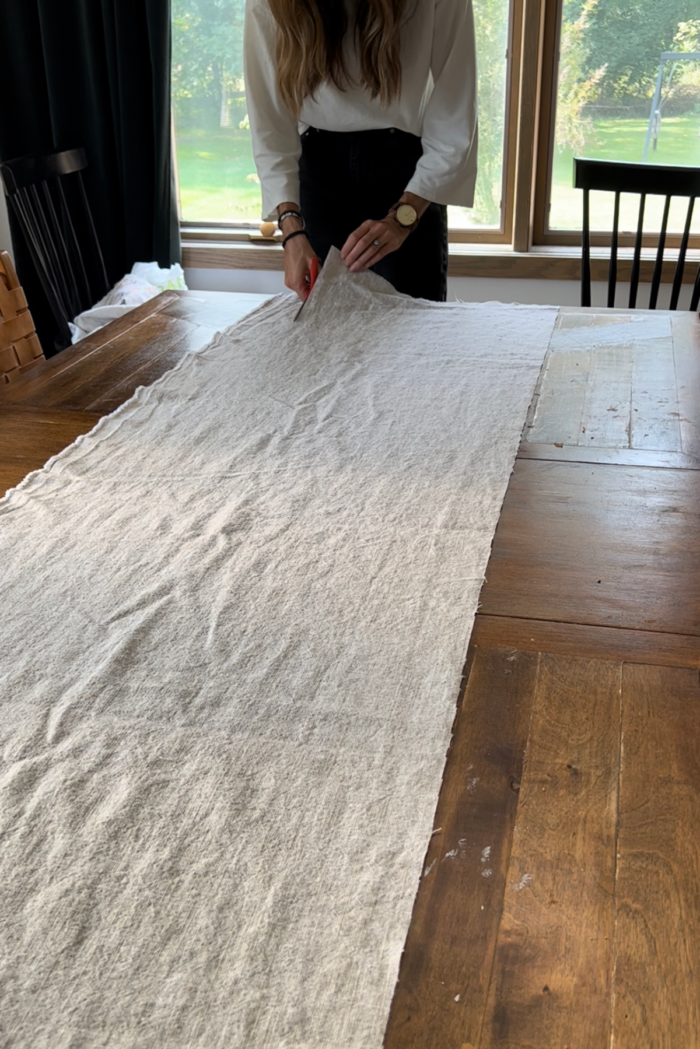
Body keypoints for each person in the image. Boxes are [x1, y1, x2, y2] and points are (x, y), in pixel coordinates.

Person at [244, 0, 478, 302]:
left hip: (407, 182)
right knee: (326, 336)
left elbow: (454, 112)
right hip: (317, 179)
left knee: (416, 334)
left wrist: (402, 219)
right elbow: (270, 122)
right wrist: (291, 233)